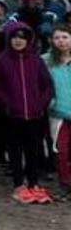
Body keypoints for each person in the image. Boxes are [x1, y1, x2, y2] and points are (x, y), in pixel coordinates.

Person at [0, 22, 55, 204]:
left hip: (34, 114)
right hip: (12, 114)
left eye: (22, 38)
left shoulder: (36, 60)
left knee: (33, 149)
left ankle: (33, 183)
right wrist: (5, 103)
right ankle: (18, 184)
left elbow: (46, 85)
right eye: (14, 37)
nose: (18, 41)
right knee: (15, 149)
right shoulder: (0, 60)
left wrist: (41, 103)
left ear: (28, 40)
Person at [44, 23, 71, 200]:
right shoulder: (46, 61)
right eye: (57, 38)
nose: (61, 41)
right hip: (58, 114)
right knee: (61, 150)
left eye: (65, 37)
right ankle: (65, 184)